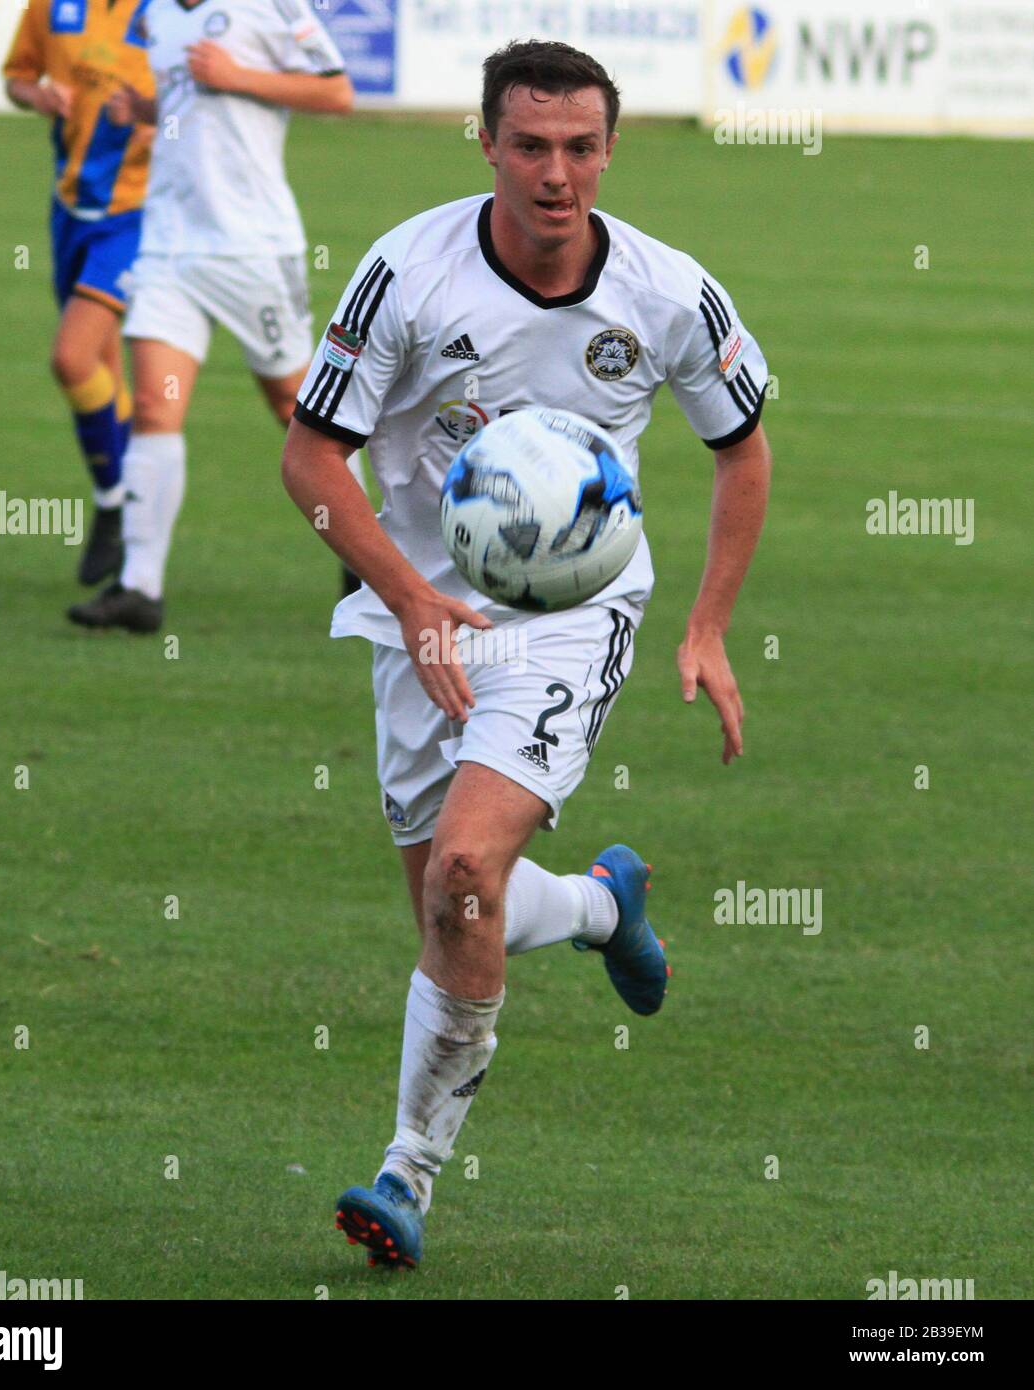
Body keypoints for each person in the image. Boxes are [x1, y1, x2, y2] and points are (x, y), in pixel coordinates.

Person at [281, 39, 773, 1269]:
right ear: (487, 141)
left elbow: (742, 449)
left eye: (581, 148)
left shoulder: (666, 293)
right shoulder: (407, 271)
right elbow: (310, 455)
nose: (557, 175)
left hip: (573, 613)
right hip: (420, 609)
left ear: (610, 149)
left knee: (462, 861)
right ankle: (605, 906)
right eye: (531, 146)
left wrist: (706, 624)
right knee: (457, 915)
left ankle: (406, 1176)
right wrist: (412, 604)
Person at [68, 0, 356, 634]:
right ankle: (139, 588)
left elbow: (338, 94)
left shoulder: (274, 8)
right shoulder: (154, 17)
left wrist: (237, 76)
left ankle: (360, 554)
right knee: (152, 406)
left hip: (251, 248)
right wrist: (144, 112)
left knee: (296, 407)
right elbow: (192, 111)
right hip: (171, 243)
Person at [3, 0, 156, 589]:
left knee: (70, 357)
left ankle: (115, 505)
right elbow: (18, 78)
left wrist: (156, 120)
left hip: (137, 214)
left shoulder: (168, 16)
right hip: (69, 209)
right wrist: (37, 97)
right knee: (100, 368)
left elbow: (202, 113)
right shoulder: (51, 7)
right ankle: (121, 514)